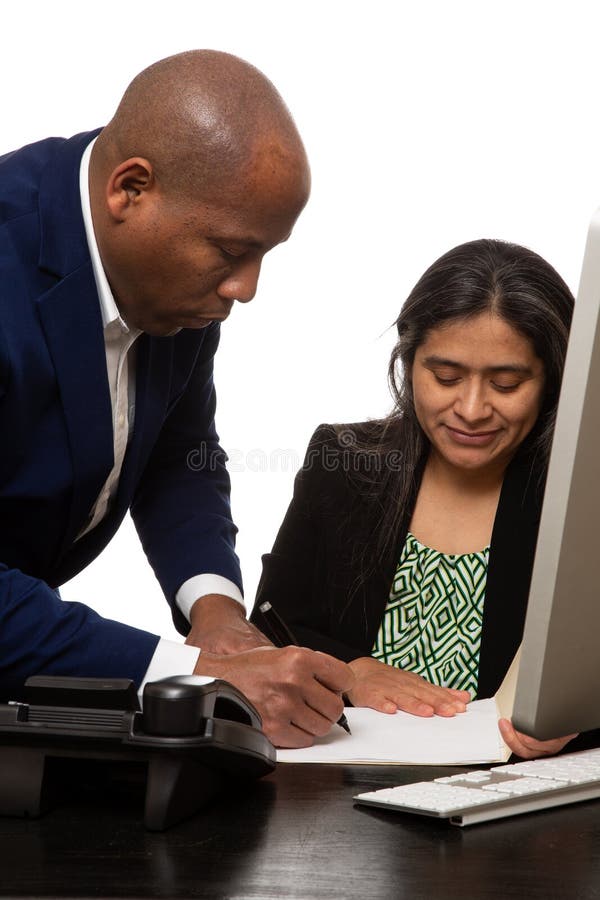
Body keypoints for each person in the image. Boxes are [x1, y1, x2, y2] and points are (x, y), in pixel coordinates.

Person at [0, 49, 353, 749]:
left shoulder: (174, 292)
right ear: (130, 189)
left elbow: (176, 451)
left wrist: (216, 614)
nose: (245, 288)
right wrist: (193, 674)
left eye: (264, 256)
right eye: (228, 251)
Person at [252, 238, 580, 759]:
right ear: (409, 362)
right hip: (338, 802)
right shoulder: (344, 461)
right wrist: (350, 672)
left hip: (511, 808)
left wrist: (574, 723)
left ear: (552, 381)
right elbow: (270, 628)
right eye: (445, 377)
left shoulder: (581, 497)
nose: (471, 409)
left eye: (507, 383)